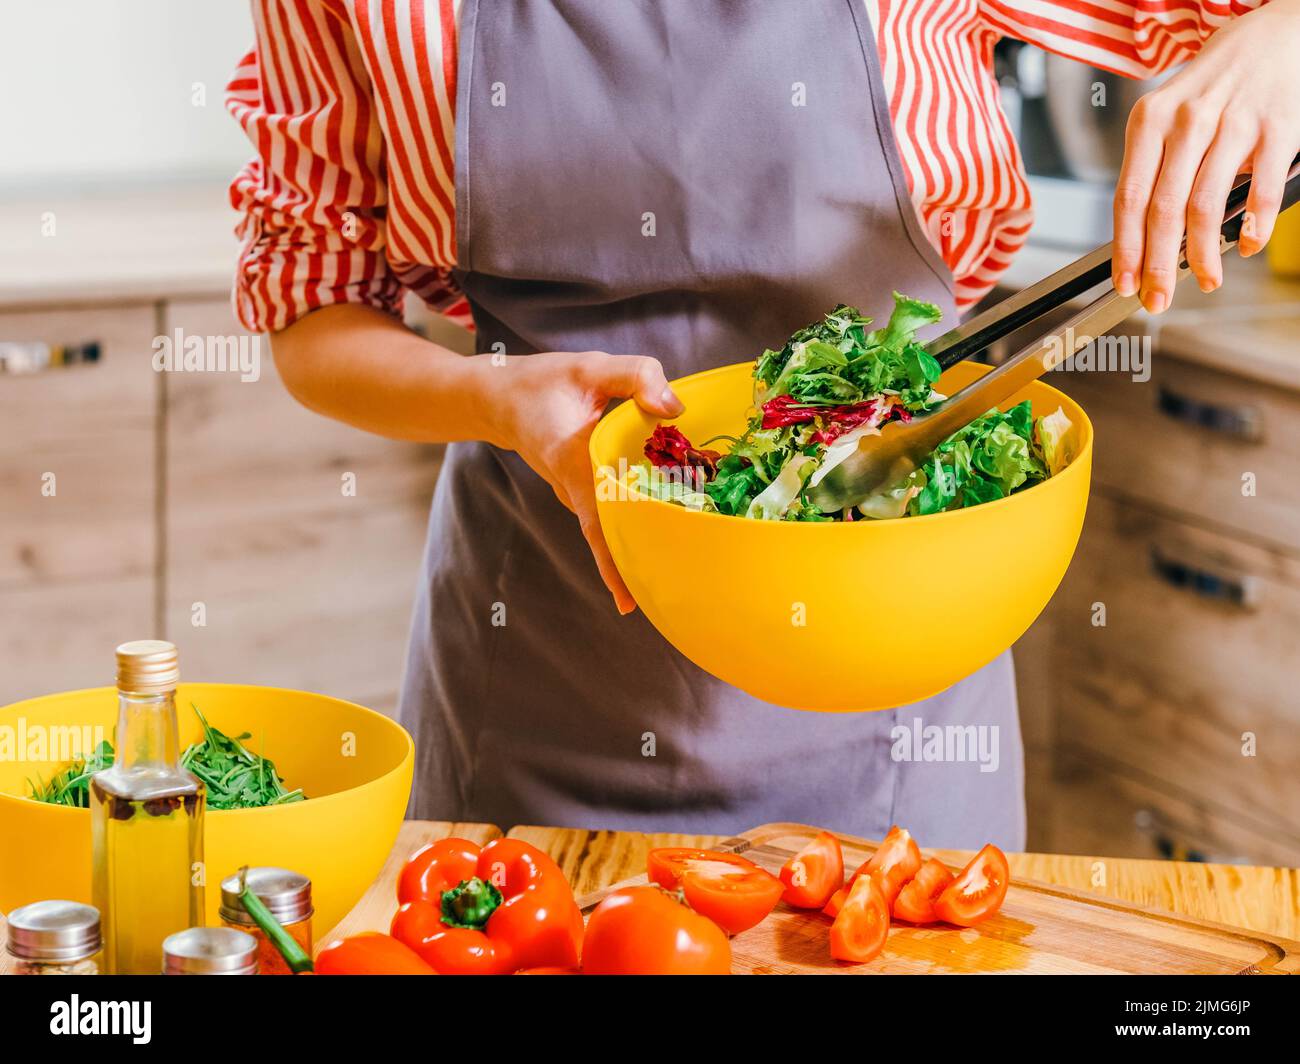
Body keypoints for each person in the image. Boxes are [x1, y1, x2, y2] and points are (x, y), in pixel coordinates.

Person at [227, 0, 1300, 847]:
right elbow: (309, 308)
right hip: (538, 693)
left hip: (902, 712)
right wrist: (498, 399)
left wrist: (1282, 36)